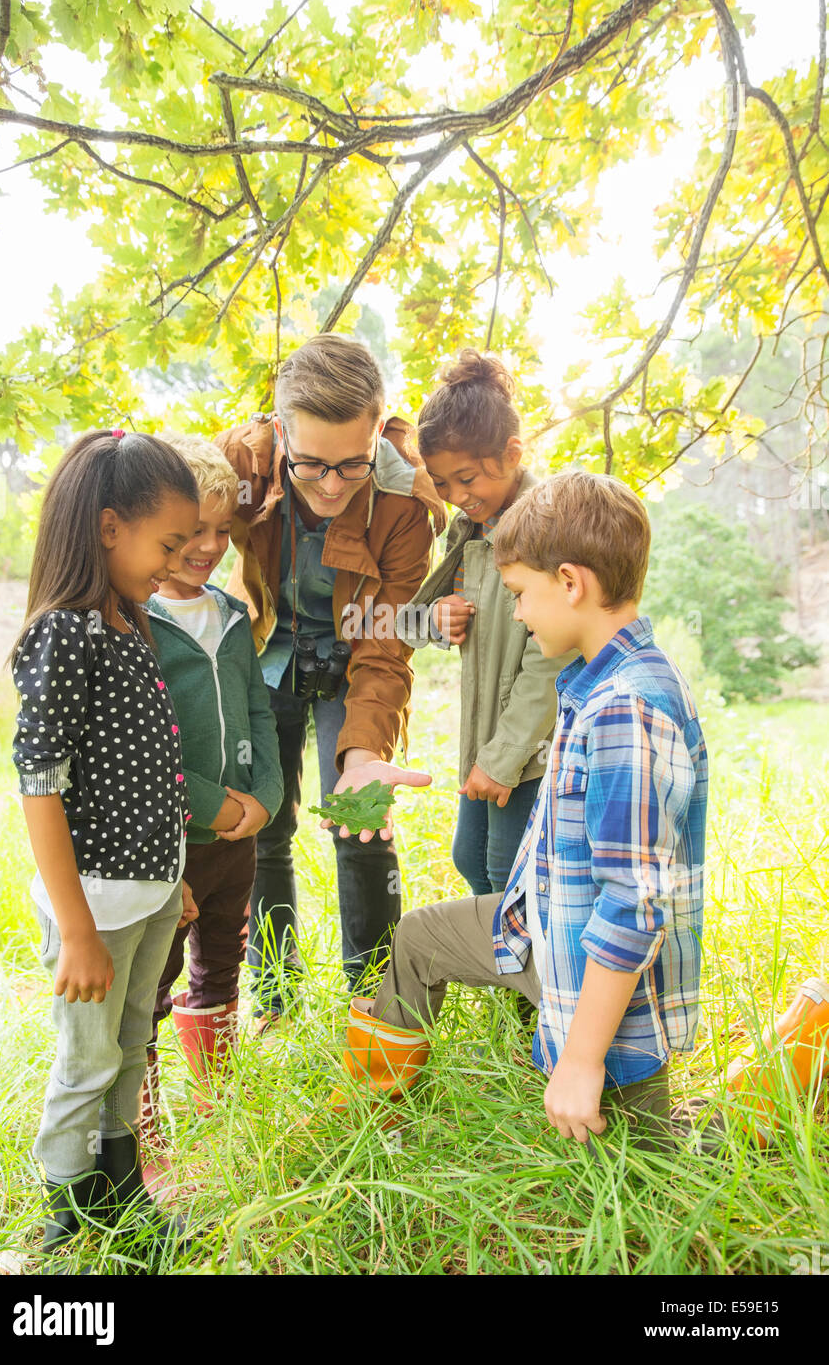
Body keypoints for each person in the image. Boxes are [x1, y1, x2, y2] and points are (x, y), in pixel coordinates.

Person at [332, 470, 709, 1152]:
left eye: (519, 595)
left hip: (600, 989)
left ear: (570, 583)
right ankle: (373, 1118)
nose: (517, 614)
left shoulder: (626, 707)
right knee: (417, 939)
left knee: (639, 1173)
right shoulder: (600, 681)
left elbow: (633, 903)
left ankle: (710, 1119)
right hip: (544, 930)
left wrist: (582, 1061)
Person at [216, 333, 445, 1031]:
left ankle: (375, 999)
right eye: (312, 465)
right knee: (263, 826)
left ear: (378, 428)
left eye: (353, 464)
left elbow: (386, 641)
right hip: (264, 659)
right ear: (282, 432)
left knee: (360, 820)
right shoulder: (242, 463)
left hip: (353, 664)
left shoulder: (407, 505)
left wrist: (365, 751)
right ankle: (276, 998)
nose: (333, 486)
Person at [11, 427, 202, 1257]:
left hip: (150, 891)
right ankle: (68, 1211)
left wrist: (175, 878)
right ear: (109, 527)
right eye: (168, 542)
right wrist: (77, 930)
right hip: (94, 905)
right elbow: (39, 788)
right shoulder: (66, 635)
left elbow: (150, 771)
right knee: (86, 1060)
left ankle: (123, 1189)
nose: (178, 559)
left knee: (132, 1044)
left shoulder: (130, 627)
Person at [141, 434, 283, 1141]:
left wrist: (266, 799)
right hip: (175, 840)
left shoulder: (231, 615)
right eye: (193, 531)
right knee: (152, 978)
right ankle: (141, 1119)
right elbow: (144, 747)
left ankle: (215, 1099)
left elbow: (259, 709)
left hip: (240, 836)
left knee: (223, 958)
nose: (209, 546)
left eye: (222, 531)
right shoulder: (138, 620)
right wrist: (209, 804)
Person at [398, 349, 565, 893]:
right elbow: (409, 623)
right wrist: (436, 620)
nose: (456, 497)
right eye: (442, 485)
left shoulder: (545, 529)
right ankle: (501, 971)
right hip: (484, 737)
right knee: (471, 859)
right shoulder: (469, 531)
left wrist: (502, 760)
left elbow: (549, 669)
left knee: (507, 872)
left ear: (512, 453)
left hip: (532, 748)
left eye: (465, 478)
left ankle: (527, 978)